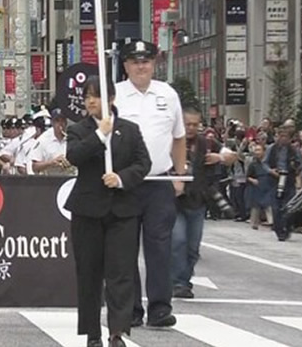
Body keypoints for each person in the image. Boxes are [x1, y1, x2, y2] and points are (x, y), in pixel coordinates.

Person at [65, 76, 151, 347]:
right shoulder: (79, 130)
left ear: (111, 98)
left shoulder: (130, 130)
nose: (90, 101)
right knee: (89, 273)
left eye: (96, 95)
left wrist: (122, 178)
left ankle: (117, 332)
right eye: (86, 96)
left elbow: (143, 163)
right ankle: (92, 333)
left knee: (121, 273)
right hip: (87, 211)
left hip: (122, 211)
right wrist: (99, 135)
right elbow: (74, 156)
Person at [113, 40, 187, 328]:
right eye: (135, 61)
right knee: (125, 249)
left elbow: (178, 137)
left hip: (159, 182)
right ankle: (130, 309)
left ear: (154, 64)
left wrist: (179, 176)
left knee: (160, 247)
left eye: (145, 61)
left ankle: (159, 308)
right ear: (125, 65)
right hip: (126, 183)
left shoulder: (167, 94)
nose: (141, 66)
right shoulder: (115, 95)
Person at [171, 107, 236, 299]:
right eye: (187, 124)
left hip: (198, 200)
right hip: (174, 201)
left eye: (194, 124)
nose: (191, 128)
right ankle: (178, 282)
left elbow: (232, 156)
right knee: (178, 241)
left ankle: (184, 280)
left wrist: (220, 157)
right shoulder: (170, 141)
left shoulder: (207, 142)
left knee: (193, 247)